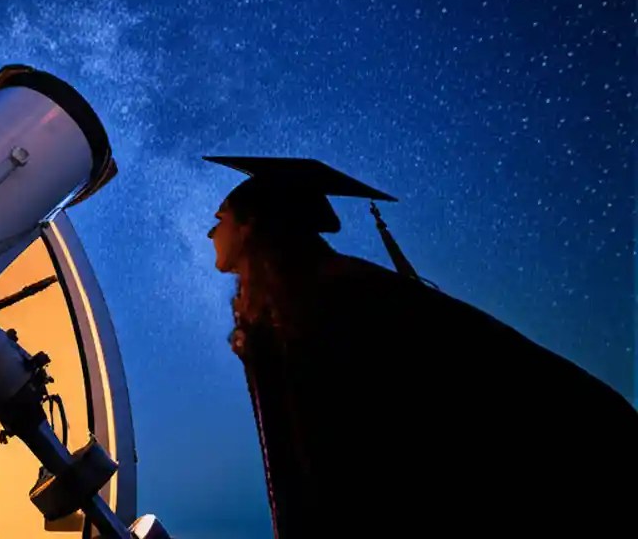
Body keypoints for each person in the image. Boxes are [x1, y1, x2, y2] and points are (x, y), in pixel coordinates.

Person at [203, 155, 638, 538]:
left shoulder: (326, 304)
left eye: (221, 219)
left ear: (252, 223)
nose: (209, 233)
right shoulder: (303, 301)